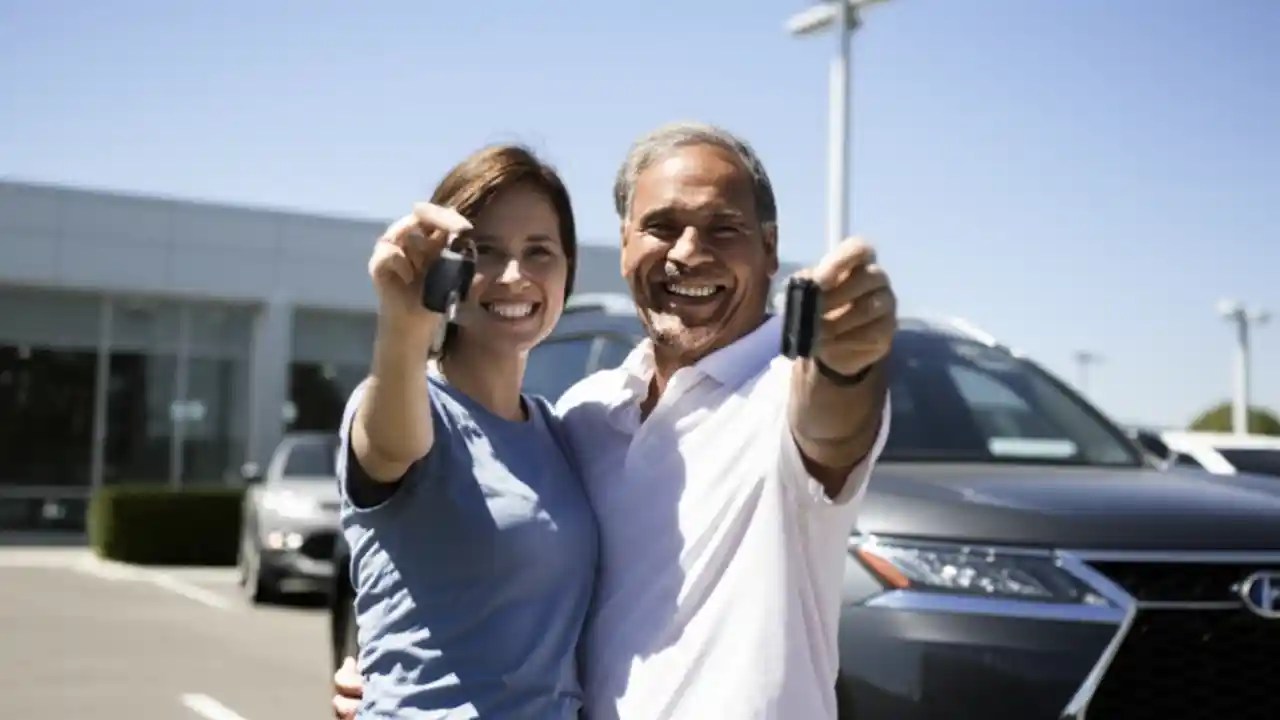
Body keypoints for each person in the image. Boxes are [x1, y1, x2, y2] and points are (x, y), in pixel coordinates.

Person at [335, 121, 895, 719]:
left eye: (722, 228)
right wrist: (390, 677)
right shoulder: (585, 415)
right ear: (625, 243)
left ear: (769, 247)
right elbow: (392, 459)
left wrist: (842, 368)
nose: (687, 251)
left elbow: (832, 429)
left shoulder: (783, 394)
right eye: (660, 227)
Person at [335, 144, 598, 718]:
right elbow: (390, 445)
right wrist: (404, 322)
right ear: (445, 268)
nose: (514, 276)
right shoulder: (409, 402)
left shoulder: (558, 434)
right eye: (482, 253)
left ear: (568, 271)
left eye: (540, 252)